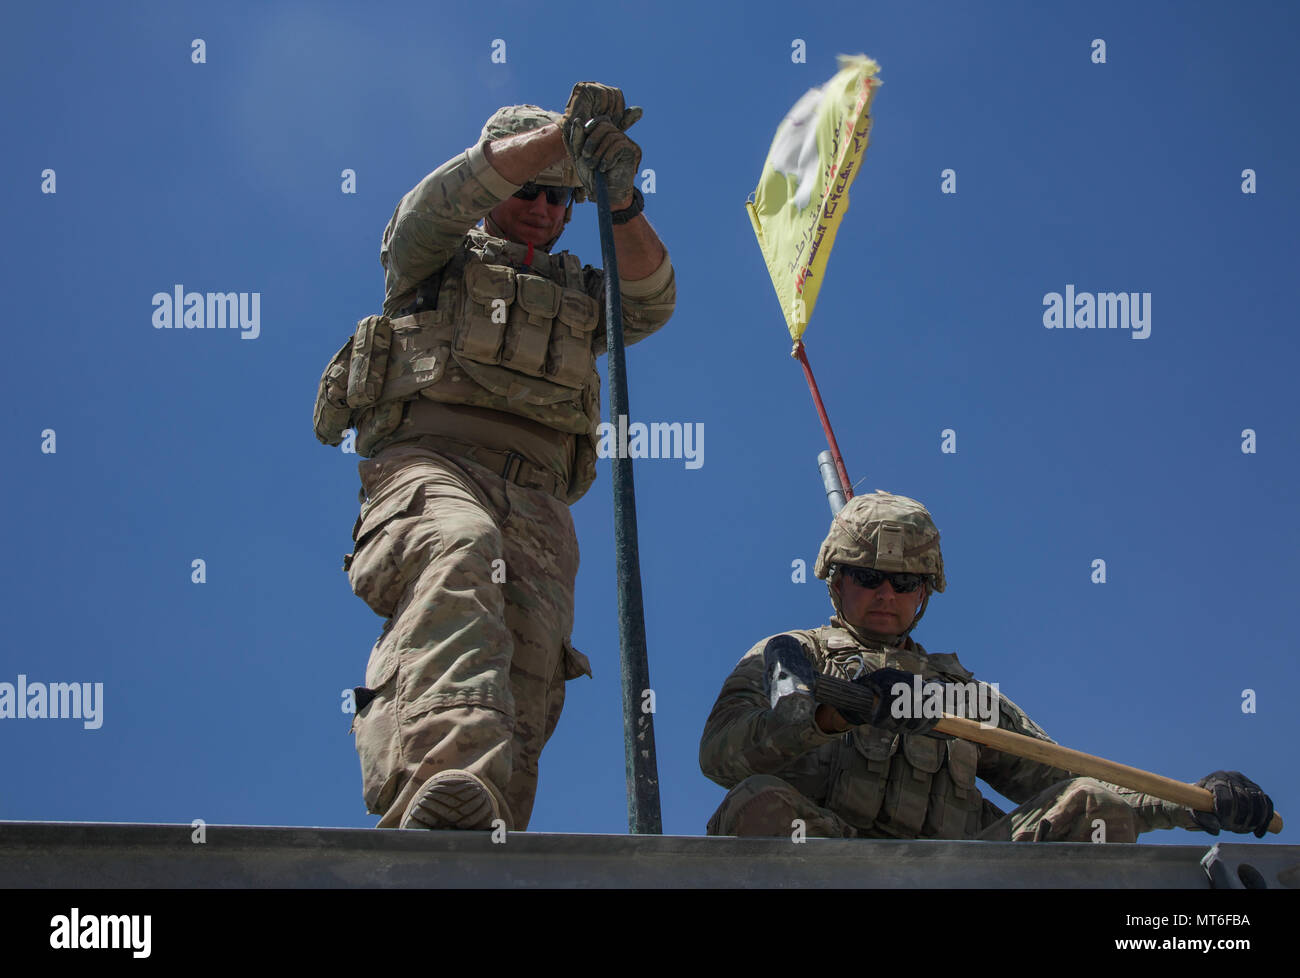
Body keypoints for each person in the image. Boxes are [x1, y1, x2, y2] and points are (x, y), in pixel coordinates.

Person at [314, 83, 674, 832]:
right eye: (530, 188)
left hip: (540, 498)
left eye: (560, 197)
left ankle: (482, 830)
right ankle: (442, 775)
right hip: (431, 465)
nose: (545, 206)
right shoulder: (431, 255)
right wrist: (561, 141)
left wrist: (620, 200)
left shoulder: (581, 289)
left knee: (530, 664)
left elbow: (652, 300)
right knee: (458, 548)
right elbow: (436, 201)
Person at [699, 491, 1275, 842]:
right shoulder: (794, 654)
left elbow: (1060, 774)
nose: (886, 594)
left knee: (1093, 807)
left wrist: (1196, 804)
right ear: (837, 581)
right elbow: (721, 756)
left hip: (959, 871)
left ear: (925, 594)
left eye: (904, 582)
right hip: (833, 862)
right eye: (868, 576)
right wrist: (827, 715)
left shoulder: (962, 694)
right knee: (757, 802)